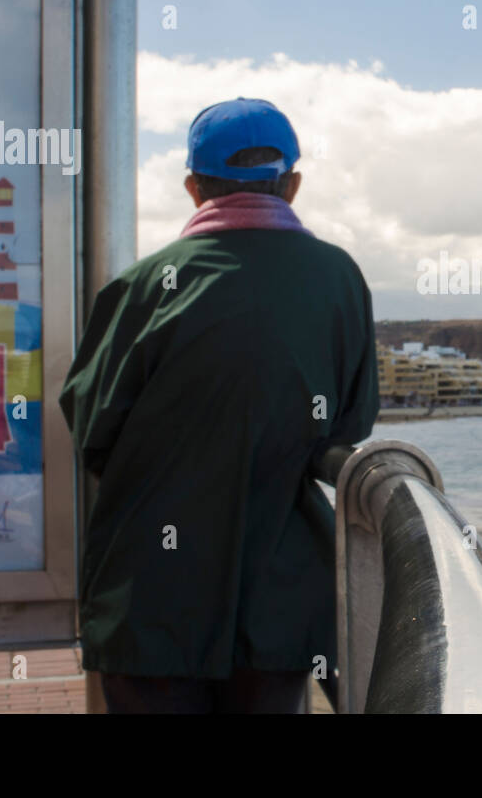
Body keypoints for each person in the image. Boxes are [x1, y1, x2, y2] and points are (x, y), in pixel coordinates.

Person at [59, 97, 378, 713]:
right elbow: (352, 423)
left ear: (192, 188)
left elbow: (93, 428)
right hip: (277, 594)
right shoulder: (338, 277)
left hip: (148, 593)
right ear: (292, 184)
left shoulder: (144, 285)